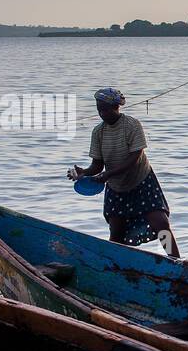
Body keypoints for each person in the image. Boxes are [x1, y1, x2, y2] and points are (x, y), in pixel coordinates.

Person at [68, 88, 179, 257]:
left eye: (105, 109)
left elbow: (135, 157)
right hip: (117, 187)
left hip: (141, 181)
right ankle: (118, 265)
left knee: (161, 224)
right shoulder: (98, 132)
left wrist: (107, 174)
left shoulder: (131, 125)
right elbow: (97, 165)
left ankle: (177, 262)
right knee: (117, 233)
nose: (102, 113)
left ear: (116, 107)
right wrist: (84, 172)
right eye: (99, 109)